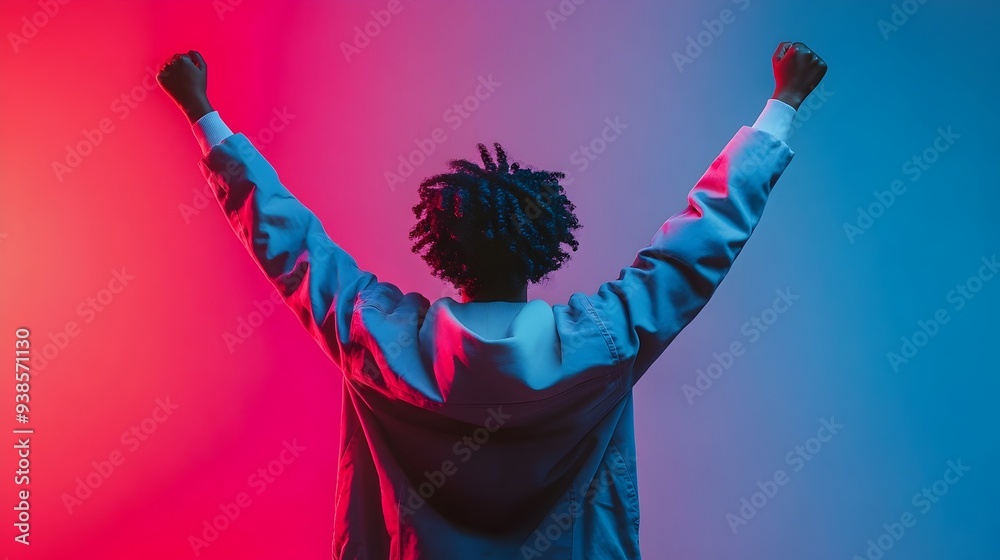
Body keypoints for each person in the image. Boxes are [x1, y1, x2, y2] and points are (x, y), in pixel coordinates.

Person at [157, 41, 827, 559]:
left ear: (442, 245)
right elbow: (698, 246)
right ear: (546, 244)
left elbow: (291, 246)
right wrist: (783, 104)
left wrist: (202, 114)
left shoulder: (374, 338)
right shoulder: (607, 341)